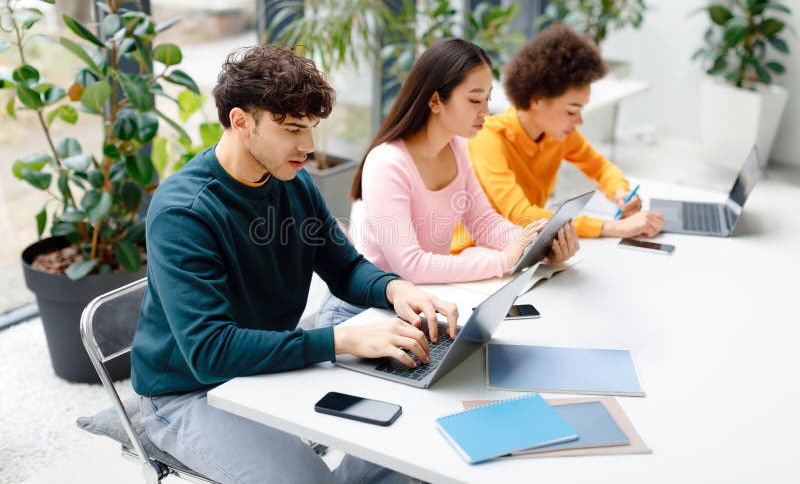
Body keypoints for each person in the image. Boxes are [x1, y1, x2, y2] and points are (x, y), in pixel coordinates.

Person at [130, 45, 459, 484]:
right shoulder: (184, 211)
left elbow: (343, 269)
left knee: (422, 439)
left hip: (270, 367)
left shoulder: (293, 182)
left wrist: (396, 289)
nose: (308, 147)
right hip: (190, 391)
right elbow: (210, 352)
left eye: (311, 128)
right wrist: (342, 339)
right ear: (240, 122)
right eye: (291, 129)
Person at [316, 38, 579, 327]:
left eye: (488, 99)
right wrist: (502, 261)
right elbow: (410, 265)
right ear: (435, 101)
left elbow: (484, 223)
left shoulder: (457, 148)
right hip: (361, 313)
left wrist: (534, 245)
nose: (485, 112)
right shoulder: (387, 163)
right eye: (474, 100)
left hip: (417, 307)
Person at [451, 24, 662, 255]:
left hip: (523, 246)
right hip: (471, 251)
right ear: (537, 100)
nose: (579, 121)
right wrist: (612, 227)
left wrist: (620, 192)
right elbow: (522, 214)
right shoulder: (488, 138)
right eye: (572, 111)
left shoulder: (558, 135)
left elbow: (601, 168)